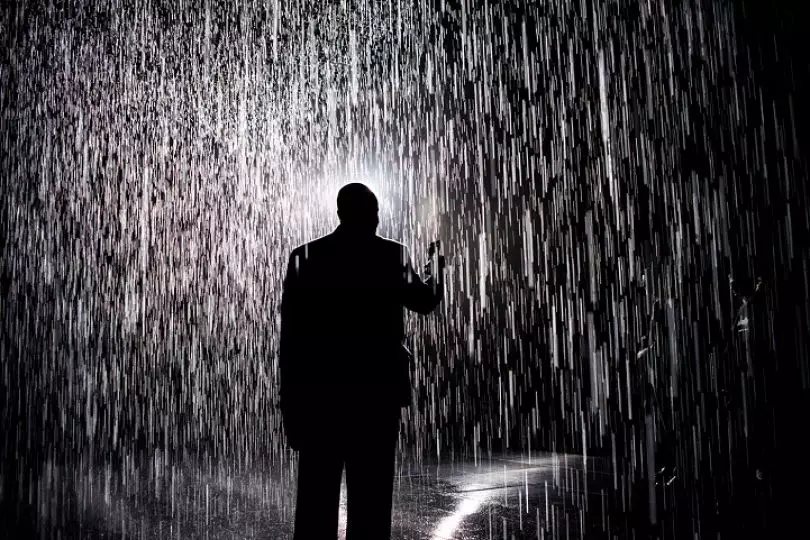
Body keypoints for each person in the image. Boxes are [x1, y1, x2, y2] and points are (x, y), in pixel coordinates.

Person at [279, 182, 445, 539]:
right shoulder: (390, 255)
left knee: (315, 502)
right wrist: (438, 270)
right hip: (376, 395)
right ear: (372, 213)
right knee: (371, 499)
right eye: (374, 211)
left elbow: (290, 340)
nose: (377, 218)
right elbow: (425, 302)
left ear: (340, 213)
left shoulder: (305, 257)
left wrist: (290, 406)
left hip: (320, 396)